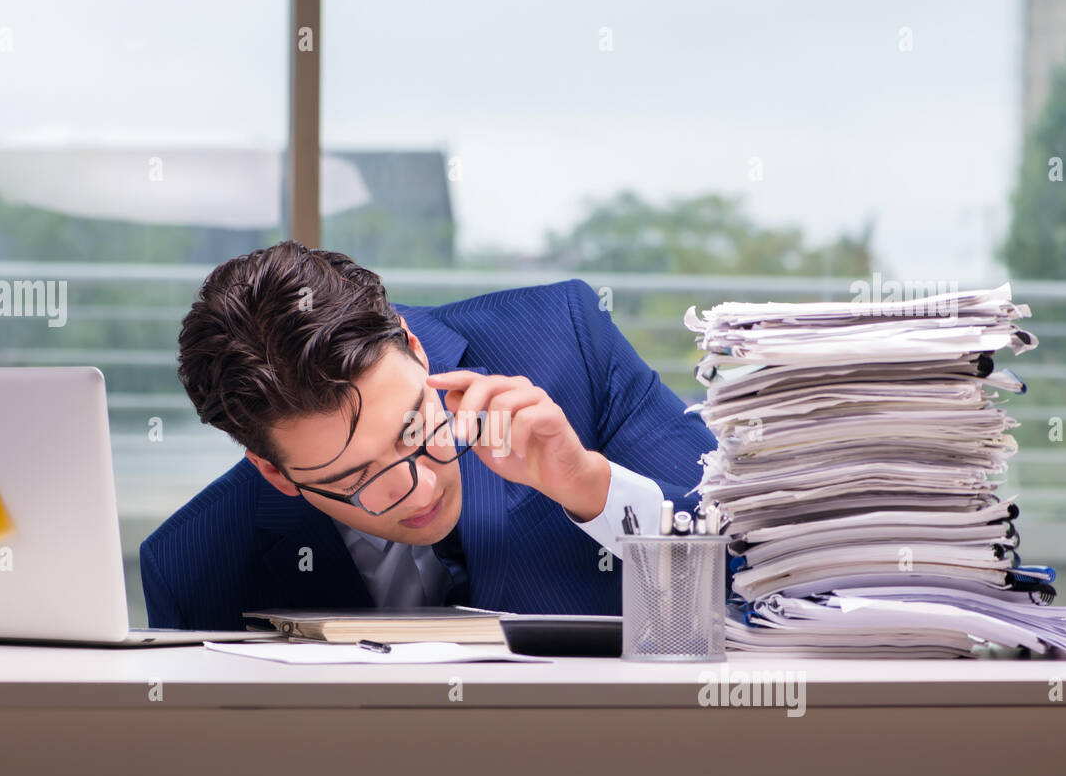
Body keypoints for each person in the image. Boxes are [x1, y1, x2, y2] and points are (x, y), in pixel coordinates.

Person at [140, 240, 716, 628]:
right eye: (355, 478)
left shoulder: (566, 343)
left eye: (414, 429)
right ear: (273, 471)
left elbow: (761, 571)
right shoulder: (194, 567)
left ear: (413, 347)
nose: (416, 490)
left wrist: (595, 489)